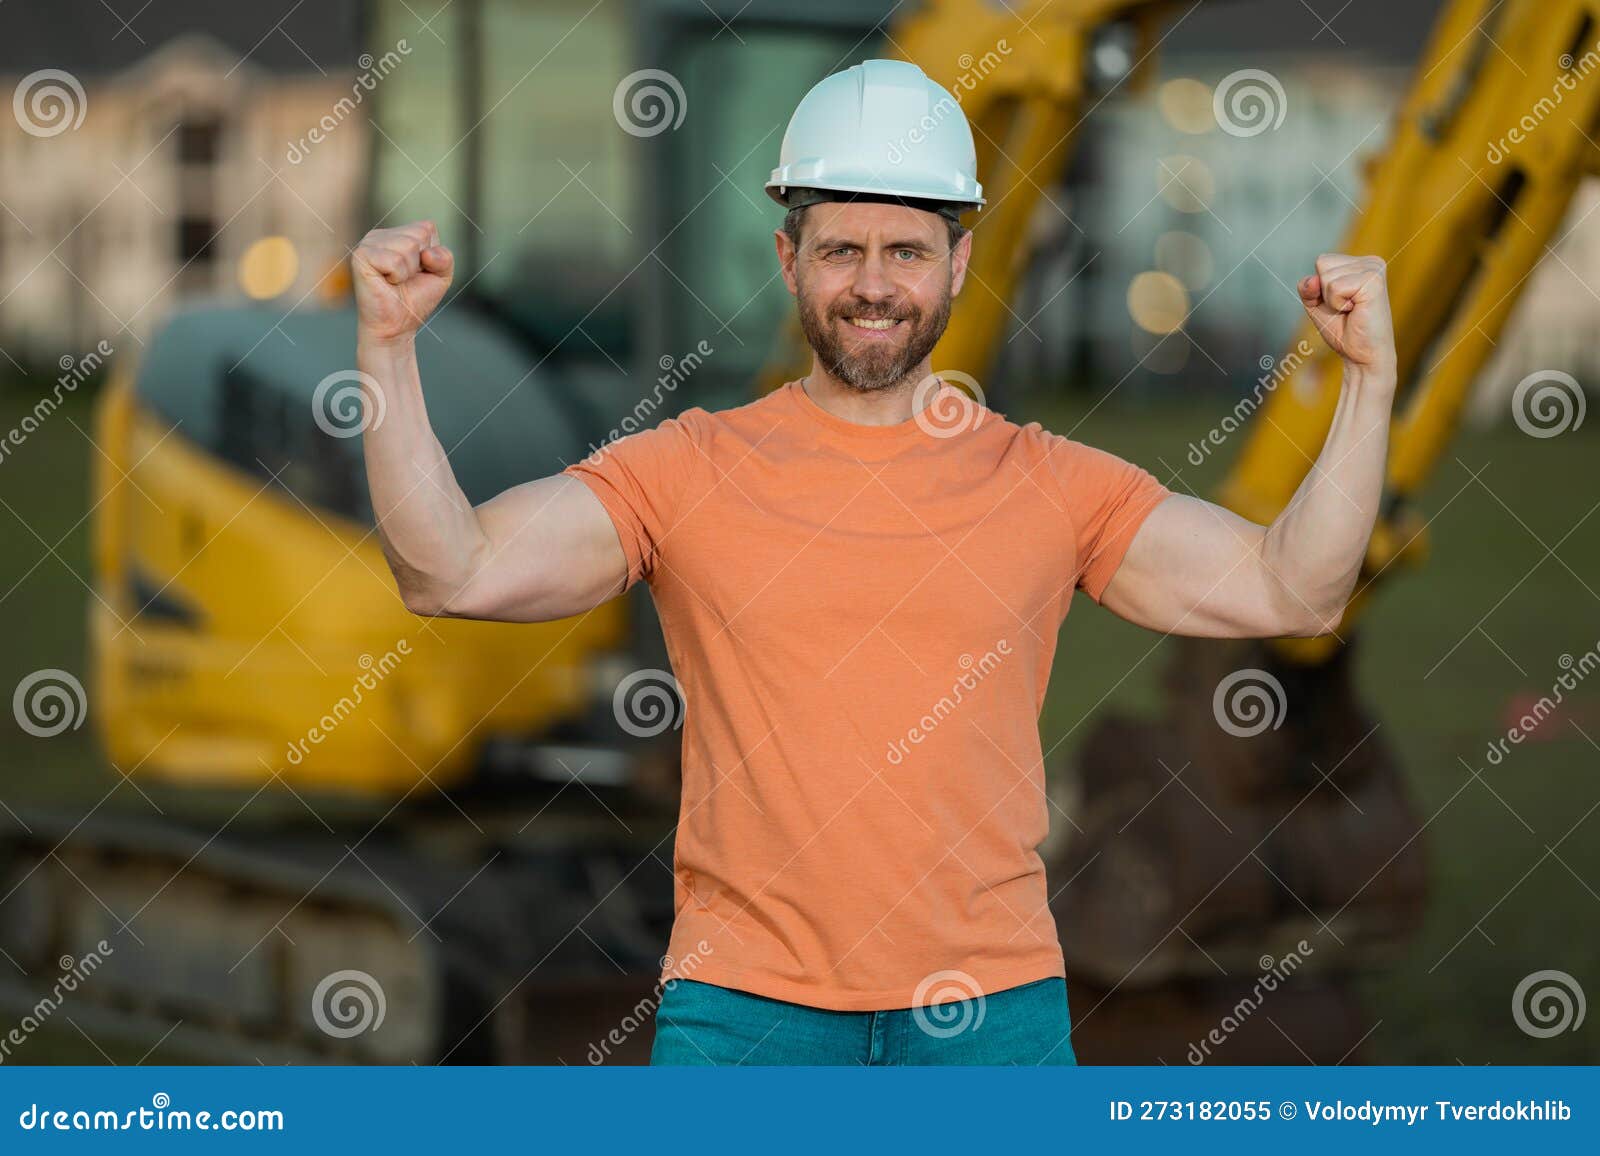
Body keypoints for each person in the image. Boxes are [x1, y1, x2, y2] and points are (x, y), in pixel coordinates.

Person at [350, 59, 1396, 1065]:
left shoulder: (1050, 484)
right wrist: (389, 352)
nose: (873, 284)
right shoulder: (684, 470)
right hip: (745, 1022)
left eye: (905, 249)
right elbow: (451, 571)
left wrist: (1367, 384)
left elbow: (1292, 588)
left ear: (959, 263)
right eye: (841, 250)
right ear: (786, 260)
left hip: (989, 1023)